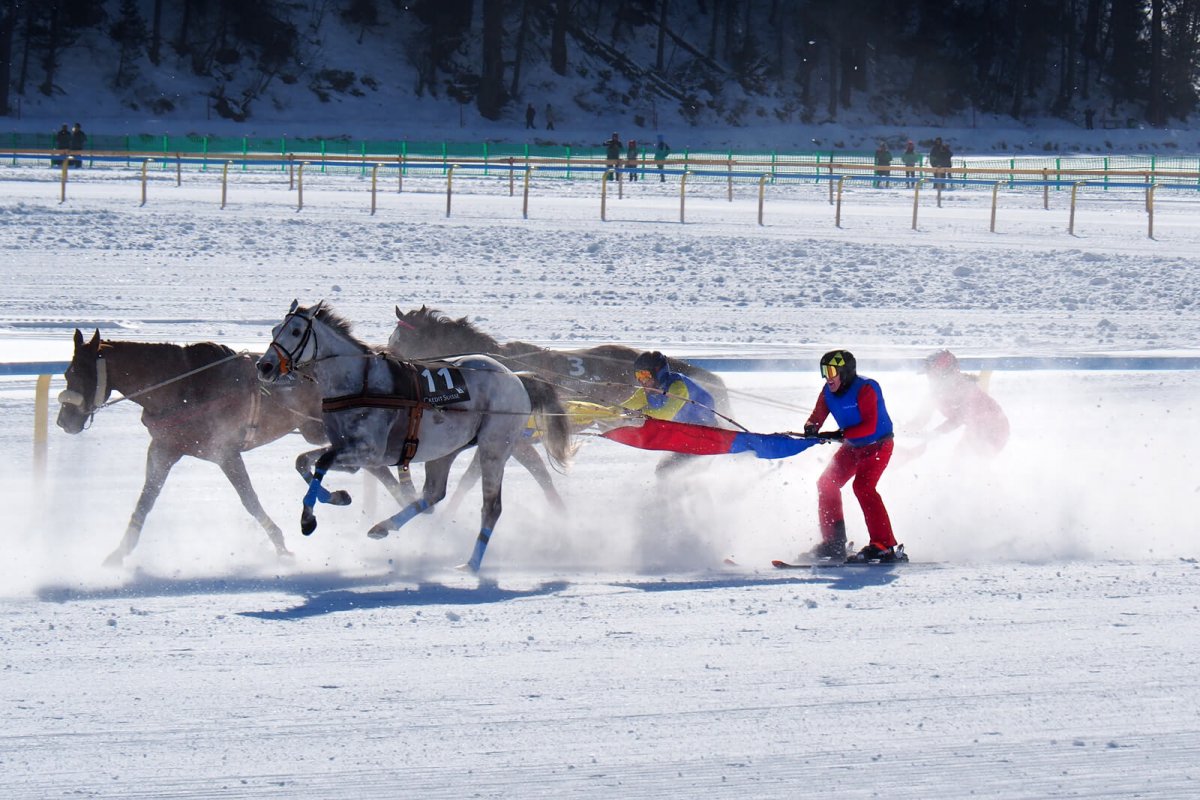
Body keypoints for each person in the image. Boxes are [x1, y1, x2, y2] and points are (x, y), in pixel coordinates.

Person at [802, 350, 901, 563]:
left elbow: (869, 426)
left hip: (877, 446)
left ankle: (883, 545)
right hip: (853, 446)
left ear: (845, 372)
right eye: (824, 371)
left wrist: (839, 434)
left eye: (831, 371)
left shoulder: (866, 388)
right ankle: (833, 543)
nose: (827, 377)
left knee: (863, 487)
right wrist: (811, 427)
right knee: (827, 482)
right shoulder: (827, 392)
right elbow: (816, 416)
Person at [622, 350, 717, 475]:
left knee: (667, 471)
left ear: (658, 372)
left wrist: (639, 413)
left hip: (706, 435)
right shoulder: (646, 391)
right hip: (686, 435)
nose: (642, 381)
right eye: (638, 376)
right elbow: (623, 407)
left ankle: (683, 493)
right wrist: (598, 411)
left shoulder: (678, 386)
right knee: (664, 471)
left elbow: (666, 414)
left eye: (645, 375)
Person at [911, 349, 1009, 460]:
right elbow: (921, 418)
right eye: (929, 375)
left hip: (995, 430)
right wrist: (896, 432)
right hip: (974, 429)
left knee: (969, 462)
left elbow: (960, 418)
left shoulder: (966, 389)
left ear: (948, 374)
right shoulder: (935, 393)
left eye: (933, 375)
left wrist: (935, 433)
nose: (930, 379)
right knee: (959, 460)